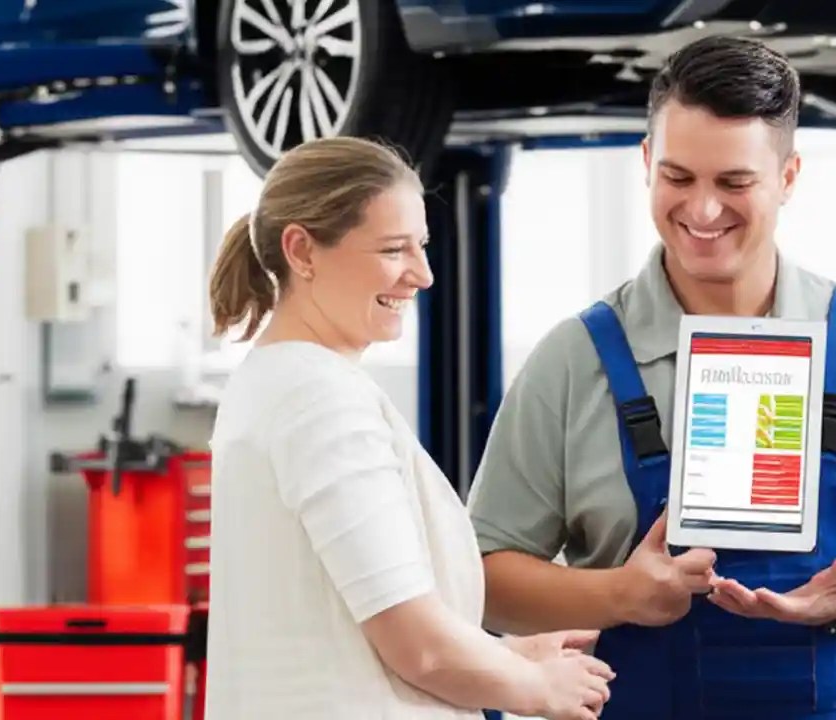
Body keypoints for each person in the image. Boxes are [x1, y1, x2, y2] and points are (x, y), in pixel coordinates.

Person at [467, 36, 836, 719]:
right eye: (679, 177)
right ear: (646, 165)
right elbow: (483, 577)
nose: (704, 210)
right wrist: (620, 595)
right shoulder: (574, 359)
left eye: (735, 182)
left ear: (788, 177)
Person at [203, 136, 614, 720]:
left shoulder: (271, 382)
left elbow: (341, 632)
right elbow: (416, 646)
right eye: (393, 249)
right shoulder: (319, 398)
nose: (421, 275)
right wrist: (538, 690)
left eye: (420, 246)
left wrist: (511, 658)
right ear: (301, 250)